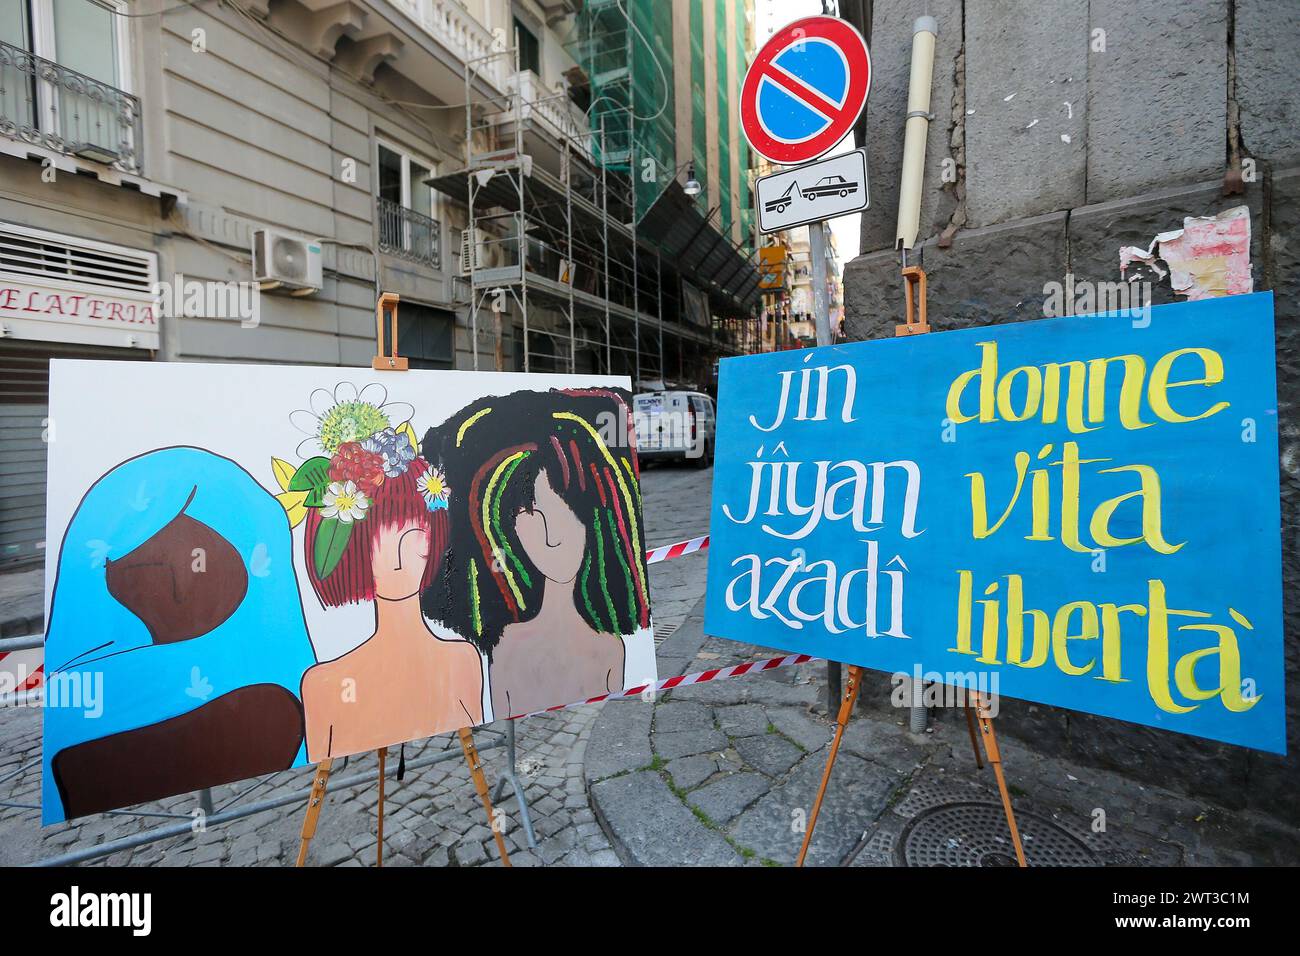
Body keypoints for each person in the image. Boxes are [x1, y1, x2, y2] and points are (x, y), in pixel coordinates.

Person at [422, 388, 651, 719]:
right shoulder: (505, 648)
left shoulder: (610, 647)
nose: (551, 535)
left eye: (567, 509)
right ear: (505, 525)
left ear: (595, 518)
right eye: (529, 512)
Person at [291, 406, 483, 760]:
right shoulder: (324, 688)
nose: (398, 559)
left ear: (432, 536)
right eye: (379, 540)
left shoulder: (463, 663)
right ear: (353, 549)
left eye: (413, 534)